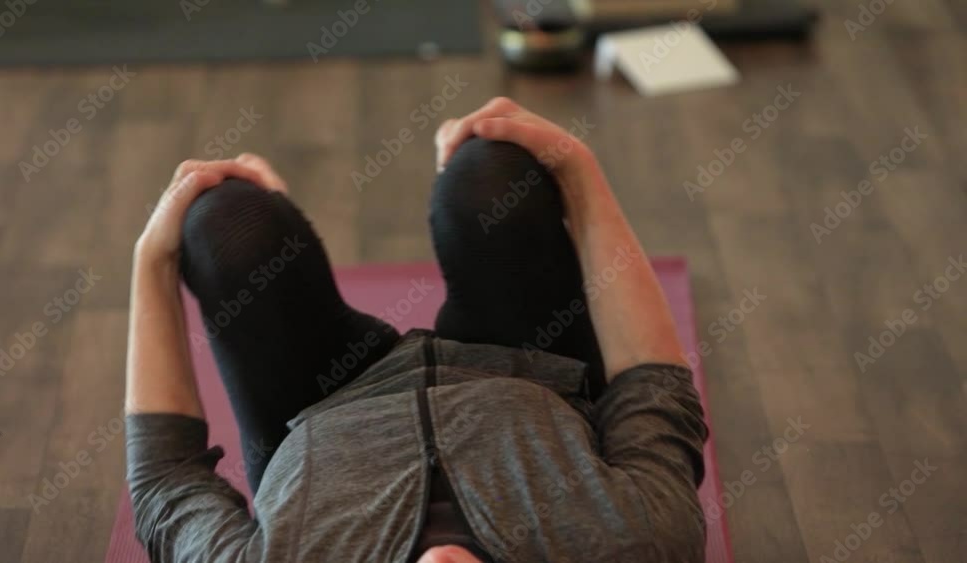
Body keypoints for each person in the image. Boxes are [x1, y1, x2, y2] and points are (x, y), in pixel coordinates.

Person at [125, 97, 709, 563]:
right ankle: (464, 191)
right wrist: (577, 168)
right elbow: (653, 389)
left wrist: (151, 259)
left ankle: (272, 227)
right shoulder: (630, 546)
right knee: (492, 172)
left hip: (319, 404)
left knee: (224, 223)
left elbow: (164, 481)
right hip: (523, 367)